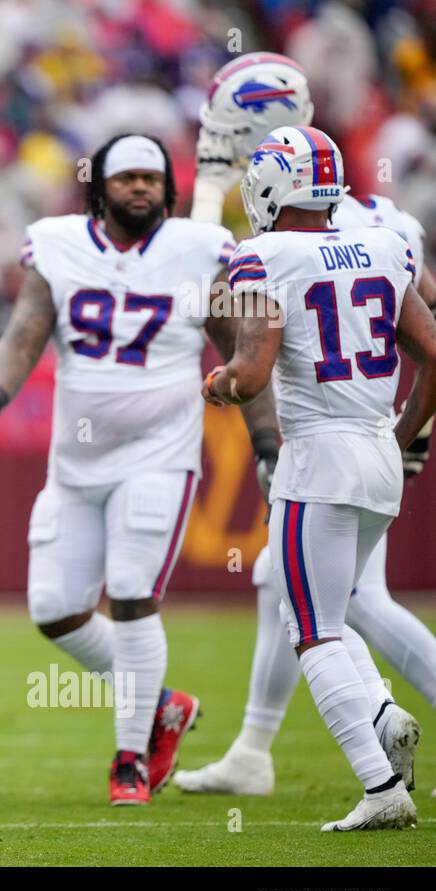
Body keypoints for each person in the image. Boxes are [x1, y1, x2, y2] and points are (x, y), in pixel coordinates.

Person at [0, 134, 266, 806]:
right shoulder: (60, 243)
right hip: (75, 463)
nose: (140, 189)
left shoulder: (195, 249)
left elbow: (243, 357)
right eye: (127, 178)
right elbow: (26, 329)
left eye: (151, 178)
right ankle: (161, 703)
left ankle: (128, 757)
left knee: (129, 591)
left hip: (160, 453)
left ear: (168, 188)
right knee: (55, 609)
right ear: (100, 186)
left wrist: (266, 444)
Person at [177, 51, 436, 797]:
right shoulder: (387, 228)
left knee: (336, 609)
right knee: (288, 584)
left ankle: (380, 730)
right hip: (380, 430)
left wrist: (233, 395)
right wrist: (411, 428)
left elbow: (227, 327)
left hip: (320, 443)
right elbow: (427, 330)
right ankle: (257, 749)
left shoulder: (265, 248)